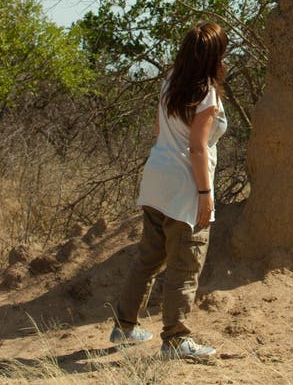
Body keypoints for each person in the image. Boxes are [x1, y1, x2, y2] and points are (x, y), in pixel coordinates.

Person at [109, 22, 228, 360]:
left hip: (156, 178)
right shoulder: (205, 91)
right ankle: (175, 340)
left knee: (149, 257)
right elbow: (197, 147)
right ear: (214, 55)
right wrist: (205, 194)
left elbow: (161, 130)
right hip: (184, 185)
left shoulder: (169, 83)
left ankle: (125, 326)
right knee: (185, 263)